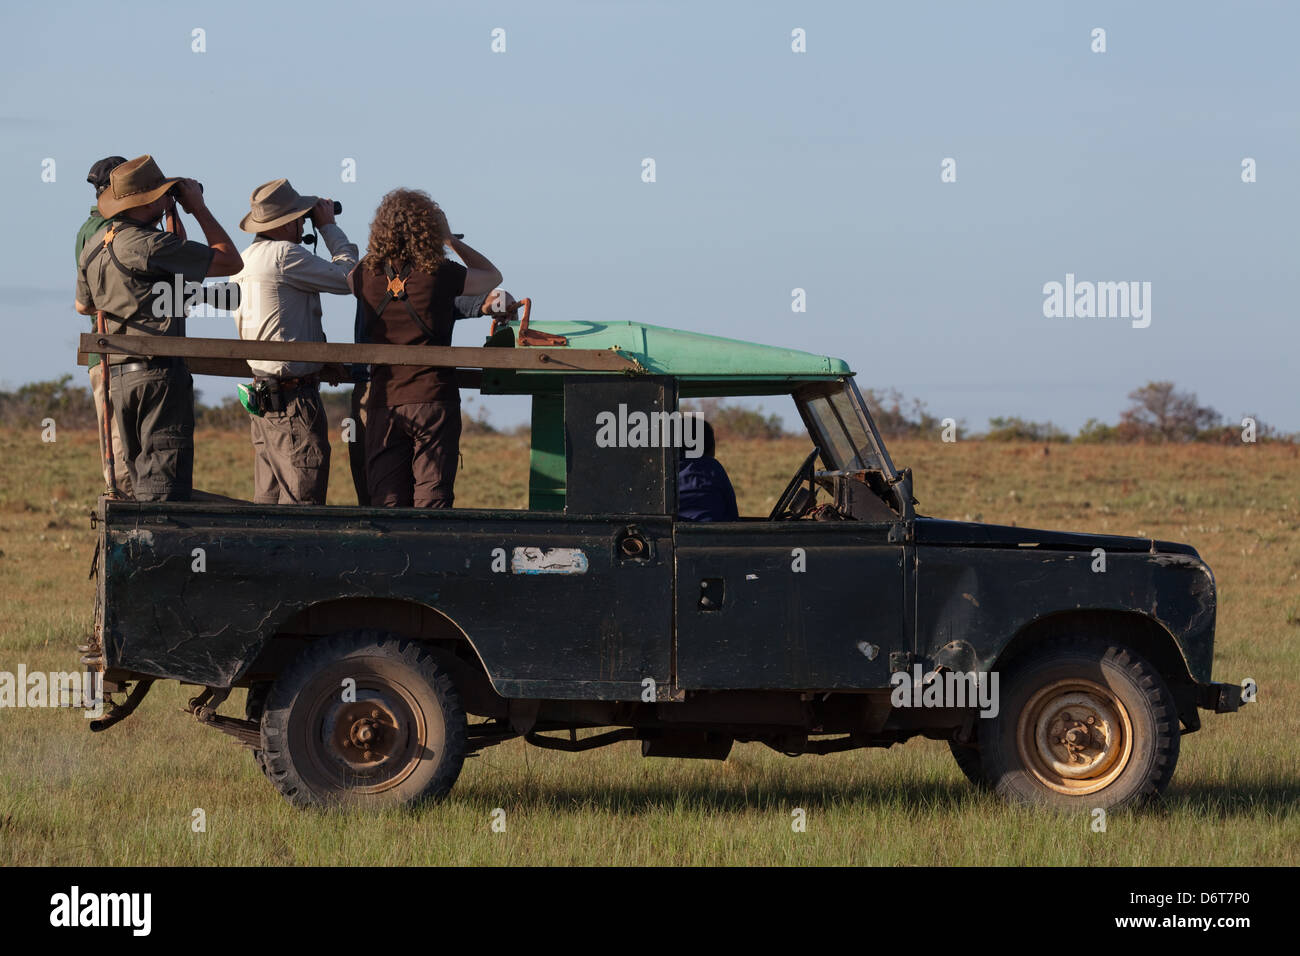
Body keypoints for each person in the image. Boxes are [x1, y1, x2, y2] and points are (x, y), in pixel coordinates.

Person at [74, 155, 243, 501]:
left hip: (118, 376)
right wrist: (197, 208)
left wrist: (130, 299)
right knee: (165, 488)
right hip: (158, 375)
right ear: (147, 199)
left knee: (137, 487)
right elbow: (229, 259)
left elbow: (84, 304)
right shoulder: (149, 245)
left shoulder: (94, 246)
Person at [350, 188, 503, 508]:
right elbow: (492, 277)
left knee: (386, 501)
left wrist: (381, 248)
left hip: (384, 400)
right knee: (433, 500)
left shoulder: (365, 275)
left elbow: (351, 275)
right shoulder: (440, 273)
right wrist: (450, 240)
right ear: (428, 228)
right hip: (433, 398)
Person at [231, 179, 358, 504]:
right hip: (292, 402)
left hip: (262, 400)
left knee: (269, 508)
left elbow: (284, 323)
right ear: (287, 222)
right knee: (302, 509)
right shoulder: (285, 255)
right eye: (301, 218)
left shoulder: (243, 262)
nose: (304, 224)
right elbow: (351, 279)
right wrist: (329, 228)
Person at [347, 286, 518, 505]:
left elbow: (345, 274)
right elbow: (497, 299)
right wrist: (504, 302)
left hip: (376, 392)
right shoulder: (432, 281)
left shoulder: (372, 276)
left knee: (378, 496)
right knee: (428, 494)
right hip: (423, 394)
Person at [77, 156, 131, 495]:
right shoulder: (108, 231)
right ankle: (127, 513)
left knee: (118, 440)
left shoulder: (91, 227)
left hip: (111, 352)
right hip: (116, 353)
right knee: (120, 444)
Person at [678, 420, 740, 521]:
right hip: (714, 534)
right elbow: (732, 513)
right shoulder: (713, 467)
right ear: (709, 445)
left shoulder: (666, 471)